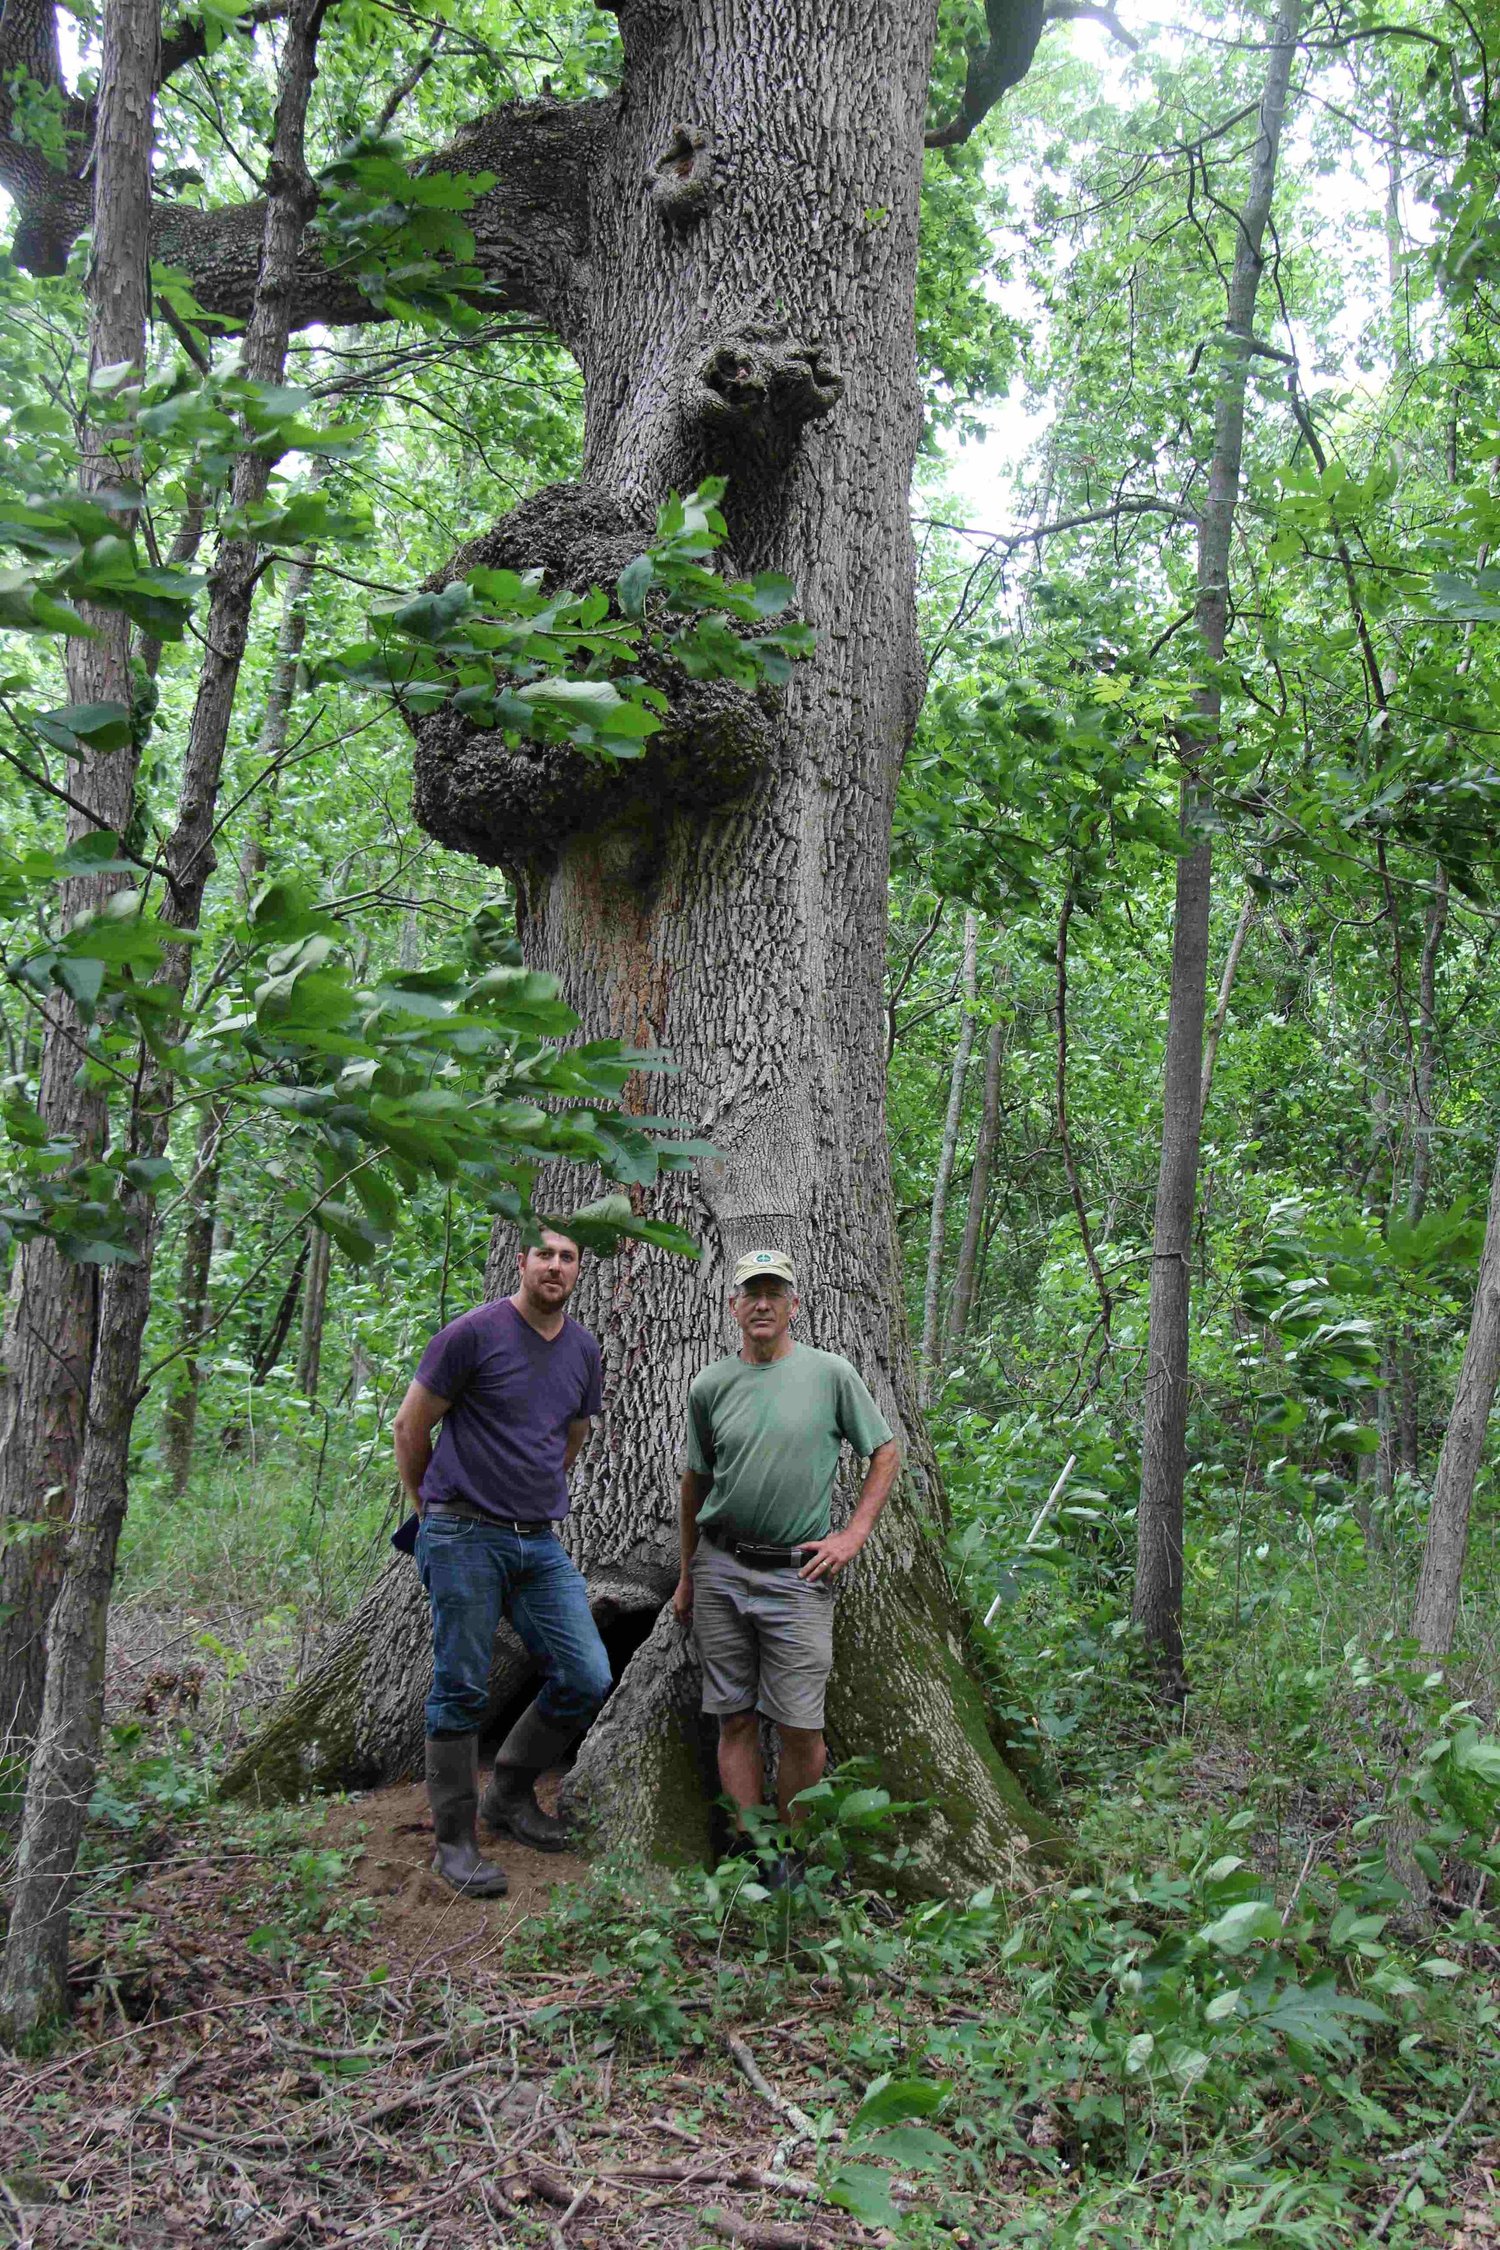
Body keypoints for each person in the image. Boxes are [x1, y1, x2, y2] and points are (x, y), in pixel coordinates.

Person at [393, 1226, 613, 1897]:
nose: (554, 1265)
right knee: (461, 1683)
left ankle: (510, 1796)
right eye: (543, 1253)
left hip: (538, 1540)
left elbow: (571, 1437)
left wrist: (528, 1495)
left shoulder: (584, 1350)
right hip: (463, 1532)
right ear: (521, 1262)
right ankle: (454, 1843)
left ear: (579, 1271)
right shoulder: (472, 1334)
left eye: (567, 1257)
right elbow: (410, 1425)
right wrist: (434, 1514)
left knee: (585, 1672)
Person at [671, 1250, 901, 1872]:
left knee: (801, 1727)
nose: (763, 1303)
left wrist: (853, 1534)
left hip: (798, 1576)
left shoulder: (830, 1374)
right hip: (720, 1569)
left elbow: (884, 1450)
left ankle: (792, 1851)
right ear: (734, 1307)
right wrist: (689, 1576)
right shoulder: (709, 1385)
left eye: (775, 1293)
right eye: (752, 1293)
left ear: (794, 1305)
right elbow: (696, 1483)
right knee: (735, 1717)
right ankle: (754, 1845)